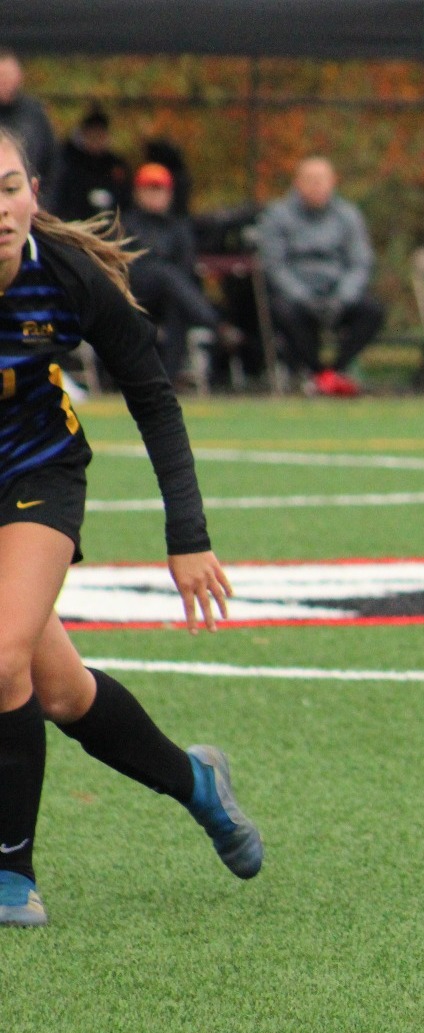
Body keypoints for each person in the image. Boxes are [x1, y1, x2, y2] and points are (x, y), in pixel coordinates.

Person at [0, 129, 261, 928]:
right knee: (62, 692)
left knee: (1, 659)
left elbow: (153, 396)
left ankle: (12, 877)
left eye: (8, 188)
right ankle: (196, 782)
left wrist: (187, 535)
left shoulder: (70, 277)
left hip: (36, 476)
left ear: (35, 192)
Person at [257, 156, 386, 397]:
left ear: (333, 182)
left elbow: (360, 262)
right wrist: (304, 297)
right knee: (282, 311)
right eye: (310, 180)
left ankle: (335, 371)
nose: (316, 186)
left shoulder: (348, 215)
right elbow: (275, 266)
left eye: (321, 180)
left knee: (372, 310)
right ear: (297, 183)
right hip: (298, 294)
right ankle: (316, 372)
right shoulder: (278, 215)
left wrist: (343, 296)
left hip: (338, 293)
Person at [121, 163, 228, 383]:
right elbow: (121, 264)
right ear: (137, 193)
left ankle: (165, 378)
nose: (154, 196)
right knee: (164, 273)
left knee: (176, 302)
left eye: (159, 190)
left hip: (172, 295)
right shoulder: (126, 224)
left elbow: (186, 266)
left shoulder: (179, 228)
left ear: (169, 194)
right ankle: (213, 322)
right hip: (134, 291)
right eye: (149, 189)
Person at [49, 106, 130, 224]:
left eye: (100, 136)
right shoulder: (70, 163)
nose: (96, 141)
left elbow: (125, 203)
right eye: (92, 135)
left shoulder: (116, 167)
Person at [0, 49, 57, 190]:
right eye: (1, 76)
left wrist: (43, 204)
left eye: (9, 75)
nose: (5, 81)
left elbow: (52, 163)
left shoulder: (34, 114)